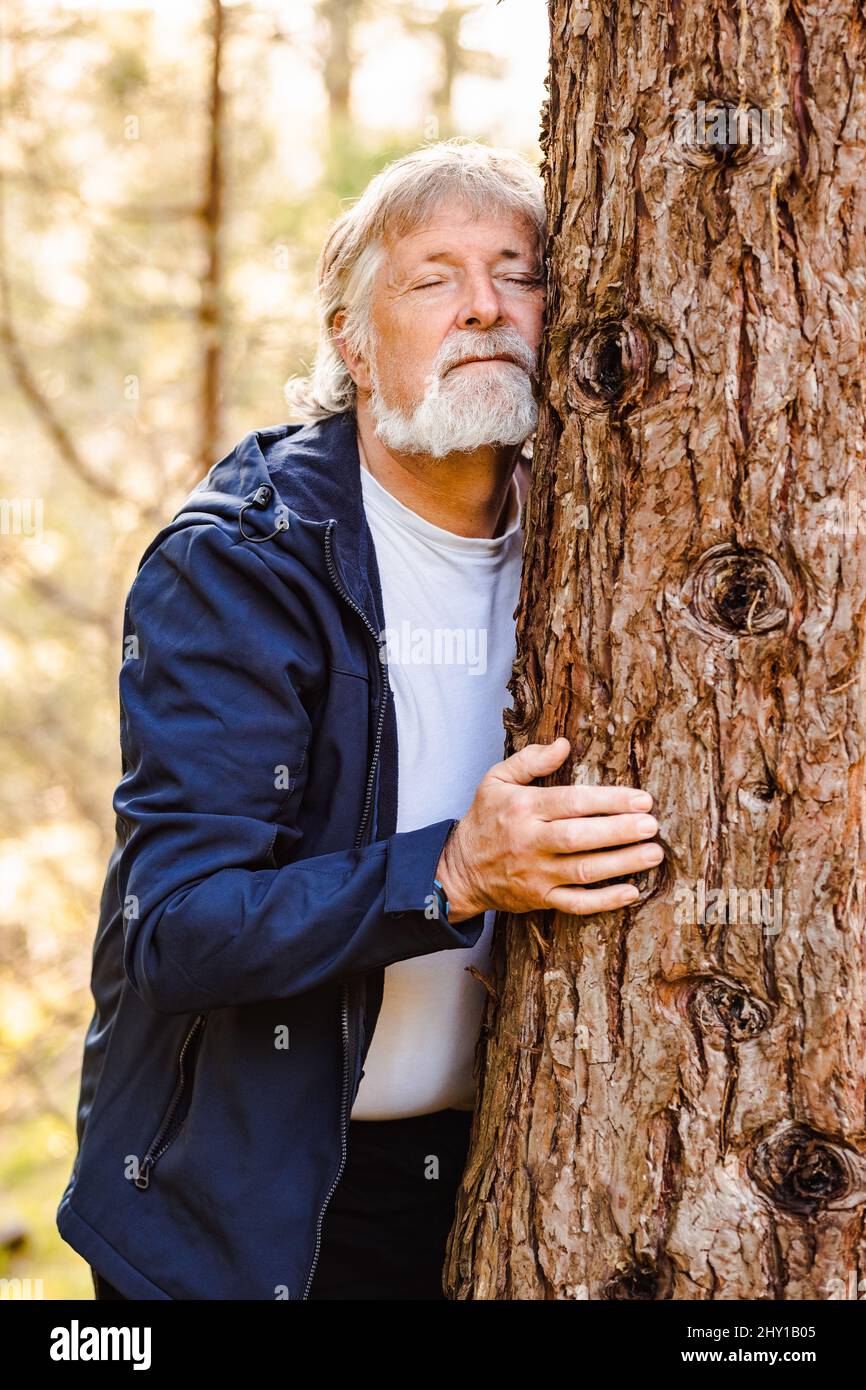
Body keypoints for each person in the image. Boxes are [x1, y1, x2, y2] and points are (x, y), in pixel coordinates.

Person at [57, 139, 664, 1301]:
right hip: (248, 1212)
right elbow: (178, 927)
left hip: (499, 1184)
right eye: (430, 278)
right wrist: (452, 869)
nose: (482, 306)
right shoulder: (238, 566)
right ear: (348, 334)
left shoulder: (604, 536)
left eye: (516, 271)